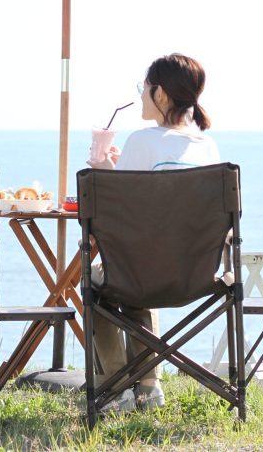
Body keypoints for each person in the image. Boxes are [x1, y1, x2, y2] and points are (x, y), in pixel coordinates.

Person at [86, 53, 221, 413]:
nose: (142, 95)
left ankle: (117, 389)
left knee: (99, 281)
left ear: (160, 94)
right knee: (135, 277)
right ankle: (149, 387)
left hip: (144, 271)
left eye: (144, 89)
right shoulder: (207, 149)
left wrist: (103, 170)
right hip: (199, 274)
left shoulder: (144, 141)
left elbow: (120, 212)